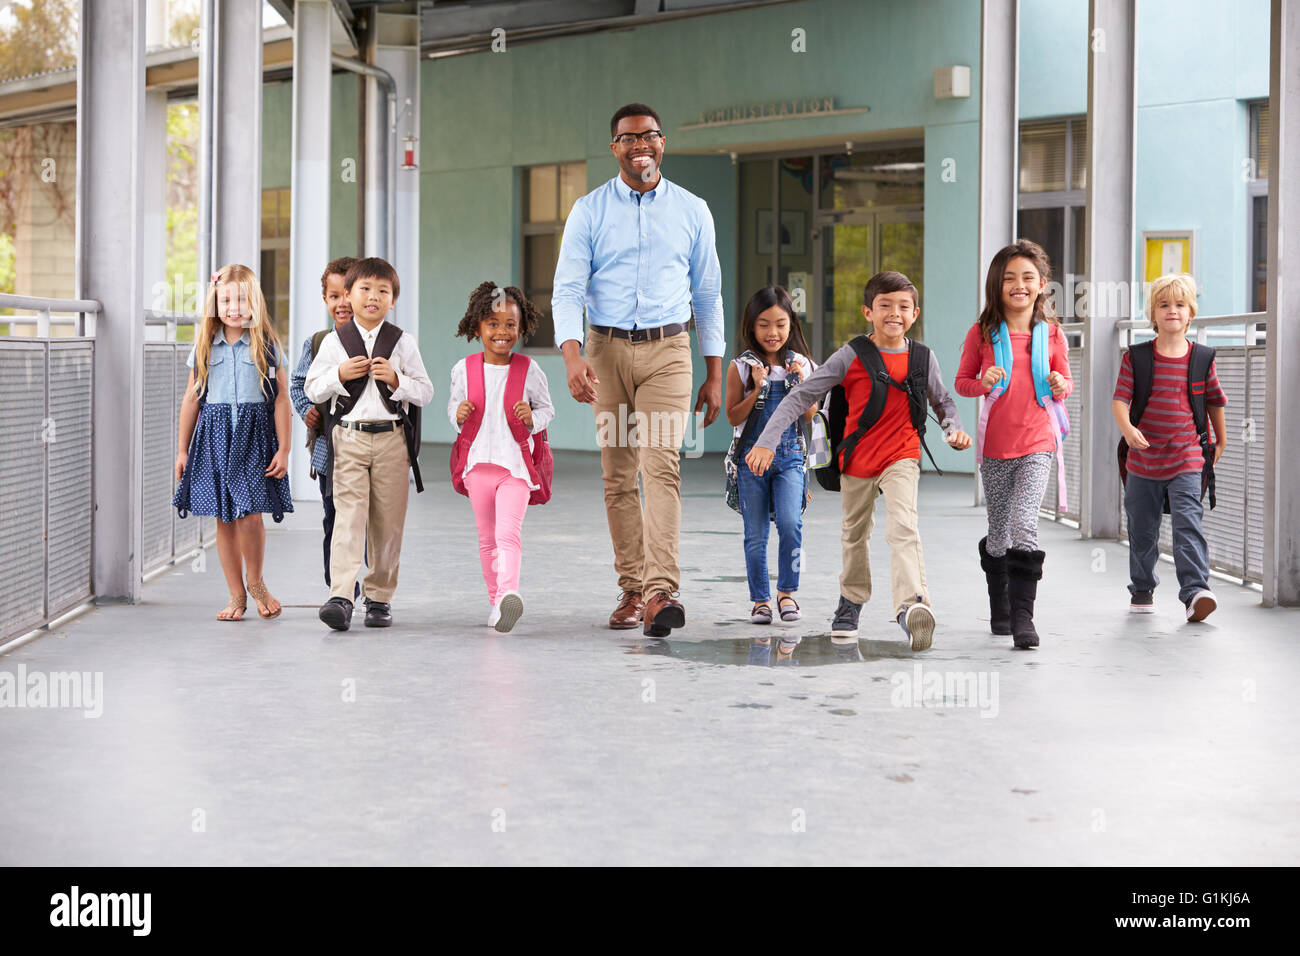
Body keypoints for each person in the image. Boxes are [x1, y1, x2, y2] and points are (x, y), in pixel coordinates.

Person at [551, 102, 725, 638]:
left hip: (669, 352)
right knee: (618, 474)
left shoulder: (694, 210)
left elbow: (709, 294)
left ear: (663, 143)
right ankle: (630, 587)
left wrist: (714, 372)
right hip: (604, 353)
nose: (640, 145)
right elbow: (568, 288)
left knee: (661, 466)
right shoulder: (590, 209)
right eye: (629, 138)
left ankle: (659, 592)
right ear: (615, 148)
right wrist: (573, 354)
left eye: (649, 136)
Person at [747, 271, 971, 652]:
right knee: (854, 536)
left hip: (902, 456)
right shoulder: (850, 355)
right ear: (869, 311)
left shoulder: (922, 357)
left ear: (914, 314)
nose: (894, 313)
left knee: (904, 527)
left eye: (903, 306)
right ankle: (850, 603)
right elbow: (802, 396)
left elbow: (942, 401)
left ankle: (912, 606)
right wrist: (767, 441)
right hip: (856, 459)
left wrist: (953, 428)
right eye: (885, 305)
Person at [305, 257, 433, 631]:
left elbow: (425, 391)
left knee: (388, 523)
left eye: (383, 291)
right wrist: (339, 374)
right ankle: (342, 596)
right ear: (349, 295)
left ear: (393, 299)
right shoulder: (334, 342)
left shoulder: (403, 342)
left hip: (393, 439)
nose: (373, 297)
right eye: (365, 289)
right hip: (349, 436)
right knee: (348, 517)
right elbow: (313, 387)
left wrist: (397, 380)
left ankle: (379, 598)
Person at [955, 239, 1072, 649]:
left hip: (1039, 442)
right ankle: (999, 606)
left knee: (1025, 522)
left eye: (1028, 277)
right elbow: (963, 382)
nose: (1019, 285)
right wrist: (982, 382)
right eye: (1009, 278)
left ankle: (1024, 618)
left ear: (1042, 284)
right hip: (995, 448)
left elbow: (1065, 383)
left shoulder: (1053, 334)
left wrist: (1060, 384)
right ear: (997, 285)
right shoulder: (982, 333)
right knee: (998, 532)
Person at [173, 263, 293, 621]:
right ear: (215, 304)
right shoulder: (205, 347)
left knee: (251, 515)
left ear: (254, 302)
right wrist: (181, 449)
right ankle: (235, 594)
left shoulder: (268, 347)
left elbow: (282, 399)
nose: (234, 307)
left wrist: (284, 448)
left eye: (241, 299)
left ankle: (256, 582)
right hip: (214, 437)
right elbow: (192, 398)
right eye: (226, 300)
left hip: (254, 437)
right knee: (224, 518)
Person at [1112, 272, 1226, 621]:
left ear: (1190, 313)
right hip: (1143, 461)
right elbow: (1120, 399)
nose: (1171, 310)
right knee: (1142, 527)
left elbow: (1214, 400)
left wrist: (1220, 438)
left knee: (1188, 524)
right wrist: (1128, 429)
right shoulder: (1137, 357)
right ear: (1153, 314)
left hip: (1187, 458)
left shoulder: (1203, 358)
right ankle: (1142, 588)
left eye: (1179, 304)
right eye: (1163, 305)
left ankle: (1195, 592)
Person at [448, 282, 555, 633]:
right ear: (476, 326)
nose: (502, 332)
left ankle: (509, 593)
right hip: (478, 466)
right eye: (493, 323)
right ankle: (496, 603)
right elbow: (453, 408)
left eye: (511, 324)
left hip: (516, 467)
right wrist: (458, 413)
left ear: (521, 328)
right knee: (486, 537)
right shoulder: (463, 369)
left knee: (509, 533)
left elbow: (547, 410)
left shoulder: (529, 369)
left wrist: (532, 417)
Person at [725, 286, 818, 635]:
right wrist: (755, 389)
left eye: (780, 324)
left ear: (790, 324)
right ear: (752, 326)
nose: (772, 333)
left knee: (791, 525)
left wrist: (799, 381)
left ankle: (787, 593)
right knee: (755, 534)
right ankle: (761, 600)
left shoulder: (802, 364)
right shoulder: (740, 366)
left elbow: (809, 415)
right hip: (751, 459)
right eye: (764, 325)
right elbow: (733, 418)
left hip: (791, 457)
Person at [289, 256, 361, 598]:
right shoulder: (317, 343)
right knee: (333, 516)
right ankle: (339, 588)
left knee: (363, 520)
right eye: (334, 296)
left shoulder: (380, 341)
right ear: (325, 300)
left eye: (349, 294)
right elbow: (299, 383)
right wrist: (306, 411)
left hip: (367, 446)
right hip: (328, 450)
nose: (342, 303)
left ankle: (366, 585)